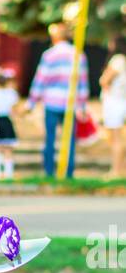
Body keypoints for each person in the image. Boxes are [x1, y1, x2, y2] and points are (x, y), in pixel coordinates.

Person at [26, 22, 89, 178]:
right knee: (69, 141)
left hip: (52, 102)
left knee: (50, 139)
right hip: (70, 103)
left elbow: (41, 79)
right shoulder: (78, 54)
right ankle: (68, 173)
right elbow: (82, 81)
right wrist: (81, 106)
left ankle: (49, 172)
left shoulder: (49, 55)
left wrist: (31, 102)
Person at [99, 51, 126, 177]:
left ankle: (116, 171)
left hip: (115, 102)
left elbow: (104, 80)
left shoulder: (118, 59)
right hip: (121, 100)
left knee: (115, 139)